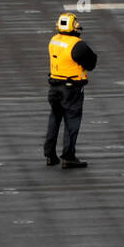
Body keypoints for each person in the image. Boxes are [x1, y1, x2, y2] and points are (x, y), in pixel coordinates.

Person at [45, 12, 98, 169]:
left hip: (54, 87)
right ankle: (68, 157)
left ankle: (50, 155)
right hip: (71, 89)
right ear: (74, 26)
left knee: (54, 119)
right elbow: (91, 63)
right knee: (72, 122)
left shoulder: (54, 40)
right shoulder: (77, 45)